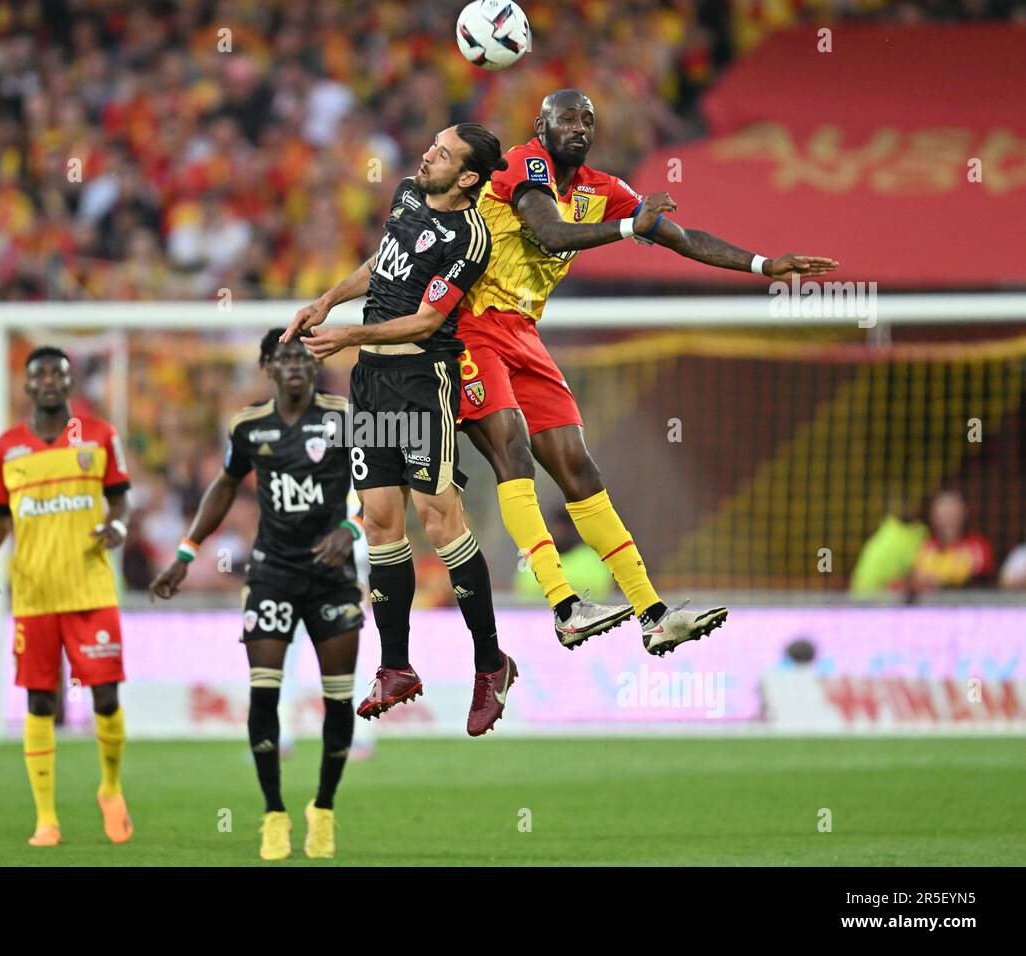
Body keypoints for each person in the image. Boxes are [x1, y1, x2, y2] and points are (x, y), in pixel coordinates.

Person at [454, 88, 840, 655]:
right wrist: (633, 228)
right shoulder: (520, 164)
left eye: (588, 118)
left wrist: (763, 264)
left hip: (523, 334)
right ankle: (565, 606)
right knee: (512, 456)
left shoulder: (600, 189)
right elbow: (550, 233)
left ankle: (653, 614)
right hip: (471, 323)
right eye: (567, 116)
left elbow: (681, 239)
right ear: (542, 124)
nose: (579, 125)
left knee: (579, 469)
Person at [283, 123, 518, 738]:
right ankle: (395, 666)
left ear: (468, 177)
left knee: (440, 521)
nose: (427, 154)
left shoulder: (470, 240)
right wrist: (329, 300)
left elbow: (427, 320)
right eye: (433, 145)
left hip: (420, 384)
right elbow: (382, 266)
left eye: (442, 153)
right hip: (371, 385)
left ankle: (490, 664)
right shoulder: (409, 194)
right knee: (380, 520)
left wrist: (350, 334)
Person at [149, 331, 362, 861]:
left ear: (316, 365)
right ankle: (273, 813)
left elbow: (389, 483)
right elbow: (224, 485)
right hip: (271, 573)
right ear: (269, 367)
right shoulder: (248, 425)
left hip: (332, 576)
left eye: (303, 356)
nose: (294, 364)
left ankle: (324, 808)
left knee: (338, 699)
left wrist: (353, 529)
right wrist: (185, 552)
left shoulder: (347, 418)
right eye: (284, 357)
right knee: (263, 693)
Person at [0, 346, 133, 848]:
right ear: (26, 385)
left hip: (90, 588)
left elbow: (120, 499)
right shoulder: (6, 448)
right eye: (39, 374)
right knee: (40, 701)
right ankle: (46, 818)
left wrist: (118, 526)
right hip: (36, 593)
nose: (48, 381)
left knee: (106, 696)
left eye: (57, 374)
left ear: (68, 383)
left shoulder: (100, 435)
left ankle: (110, 787)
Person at [908, 489, 994, 592]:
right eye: (943, 512)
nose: (948, 517)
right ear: (933, 516)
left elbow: (981, 582)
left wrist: (941, 582)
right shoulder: (921, 545)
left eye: (952, 511)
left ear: (964, 513)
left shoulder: (978, 546)